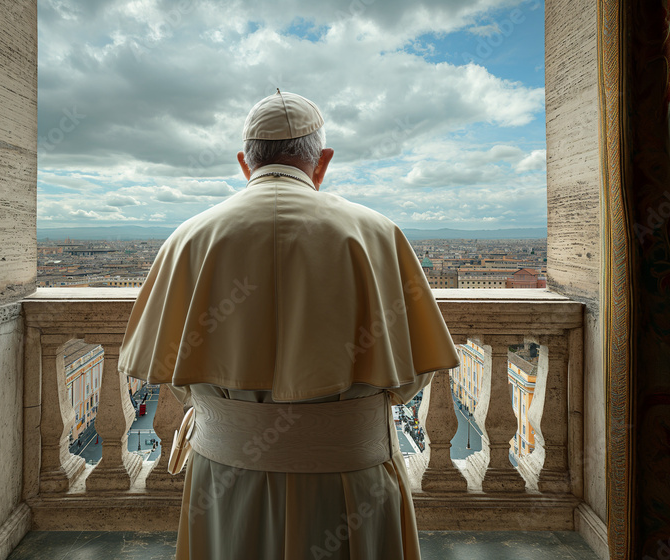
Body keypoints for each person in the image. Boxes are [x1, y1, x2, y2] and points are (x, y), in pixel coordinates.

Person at [118, 90, 458, 559]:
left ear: (245, 162)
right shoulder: (377, 234)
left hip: (225, 481)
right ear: (322, 162)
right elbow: (411, 377)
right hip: (350, 483)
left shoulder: (187, 239)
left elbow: (172, 374)